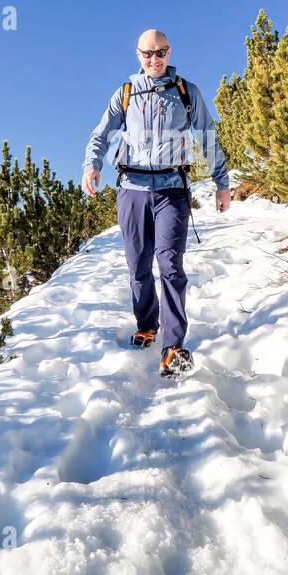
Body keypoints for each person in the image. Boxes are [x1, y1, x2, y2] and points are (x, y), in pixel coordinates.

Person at [82, 29, 231, 376]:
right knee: (138, 266)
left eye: (160, 53)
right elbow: (100, 134)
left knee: (170, 265)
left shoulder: (185, 92)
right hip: (131, 189)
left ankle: (174, 346)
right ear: (138, 54)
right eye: (147, 54)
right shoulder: (126, 93)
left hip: (171, 190)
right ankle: (147, 324)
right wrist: (91, 164)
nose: (154, 59)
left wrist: (222, 184)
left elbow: (208, 137)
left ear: (169, 52)